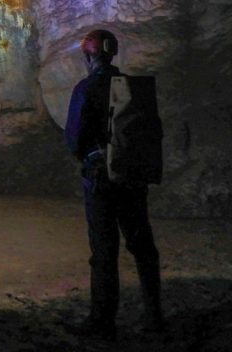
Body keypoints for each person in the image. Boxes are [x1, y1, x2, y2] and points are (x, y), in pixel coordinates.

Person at [64, 30, 164, 340]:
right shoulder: (132, 88)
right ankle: (155, 316)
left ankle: (102, 322)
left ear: (88, 56)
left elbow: (74, 138)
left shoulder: (87, 88)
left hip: (100, 181)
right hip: (131, 176)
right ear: (113, 53)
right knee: (142, 246)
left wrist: (89, 157)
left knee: (105, 252)